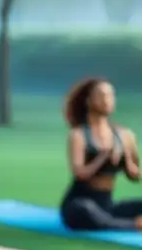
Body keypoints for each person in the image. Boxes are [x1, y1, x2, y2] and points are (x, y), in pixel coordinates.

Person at [60, 77, 142, 230]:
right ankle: (134, 225)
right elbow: (80, 174)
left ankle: (113, 221)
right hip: (80, 202)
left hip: (107, 204)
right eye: (102, 95)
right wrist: (103, 156)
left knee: (108, 213)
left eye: (111, 95)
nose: (107, 100)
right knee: (85, 210)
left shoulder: (125, 135)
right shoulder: (78, 135)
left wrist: (126, 159)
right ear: (88, 101)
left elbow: (135, 175)